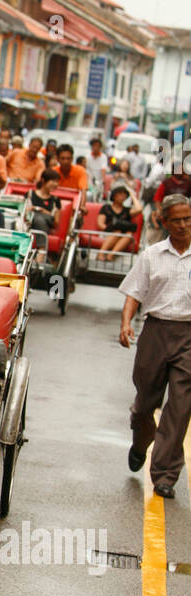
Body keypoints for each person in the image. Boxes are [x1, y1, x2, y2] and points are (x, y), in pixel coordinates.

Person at [120, 194, 191, 498]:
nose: (183, 225)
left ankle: (165, 474)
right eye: (176, 219)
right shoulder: (152, 254)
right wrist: (126, 323)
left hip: (188, 336)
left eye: (188, 218)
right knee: (145, 405)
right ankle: (140, 443)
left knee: (180, 406)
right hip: (155, 332)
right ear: (164, 222)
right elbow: (134, 293)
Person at [96, 182, 142, 262]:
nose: (122, 196)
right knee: (118, 232)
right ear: (114, 195)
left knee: (129, 234)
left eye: (124, 194)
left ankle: (111, 256)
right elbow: (100, 224)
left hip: (123, 235)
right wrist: (111, 229)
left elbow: (139, 209)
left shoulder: (127, 210)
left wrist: (132, 195)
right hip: (108, 233)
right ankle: (100, 253)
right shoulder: (106, 207)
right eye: (120, 193)